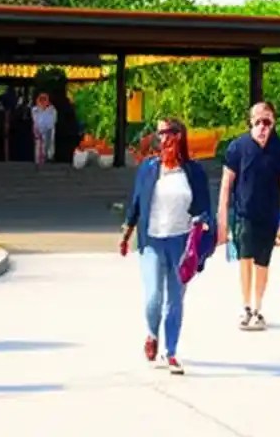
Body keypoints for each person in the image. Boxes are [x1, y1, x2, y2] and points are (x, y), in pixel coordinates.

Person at [121, 117, 214, 375]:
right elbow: (137, 203)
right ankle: (152, 333)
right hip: (151, 240)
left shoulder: (193, 172)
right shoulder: (149, 169)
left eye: (168, 133)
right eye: (160, 134)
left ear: (180, 136)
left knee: (175, 299)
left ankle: (170, 352)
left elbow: (204, 208)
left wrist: (204, 233)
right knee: (153, 297)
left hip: (181, 242)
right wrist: (127, 232)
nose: (163, 139)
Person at [217, 101, 280, 331]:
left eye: (267, 121)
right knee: (245, 259)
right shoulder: (237, 147)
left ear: (273, 123)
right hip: (244, 214)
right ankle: (246, 306)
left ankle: (258, 307)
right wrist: (222, 215)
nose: (263, 126)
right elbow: (226, 184)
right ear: (251, 121)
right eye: (258, 121)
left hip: (269, 215)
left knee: (263, 262)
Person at [31, 93, 58, 165]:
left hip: (49, 129)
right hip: (38, 129)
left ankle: (49, 157)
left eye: (44, 100)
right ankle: (39, 160)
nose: (43, 101)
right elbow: (35, 120)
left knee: (49, 144)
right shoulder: (35, 109)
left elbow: (54, 120)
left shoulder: (52, 109)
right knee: (39, 145)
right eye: (41, 100)